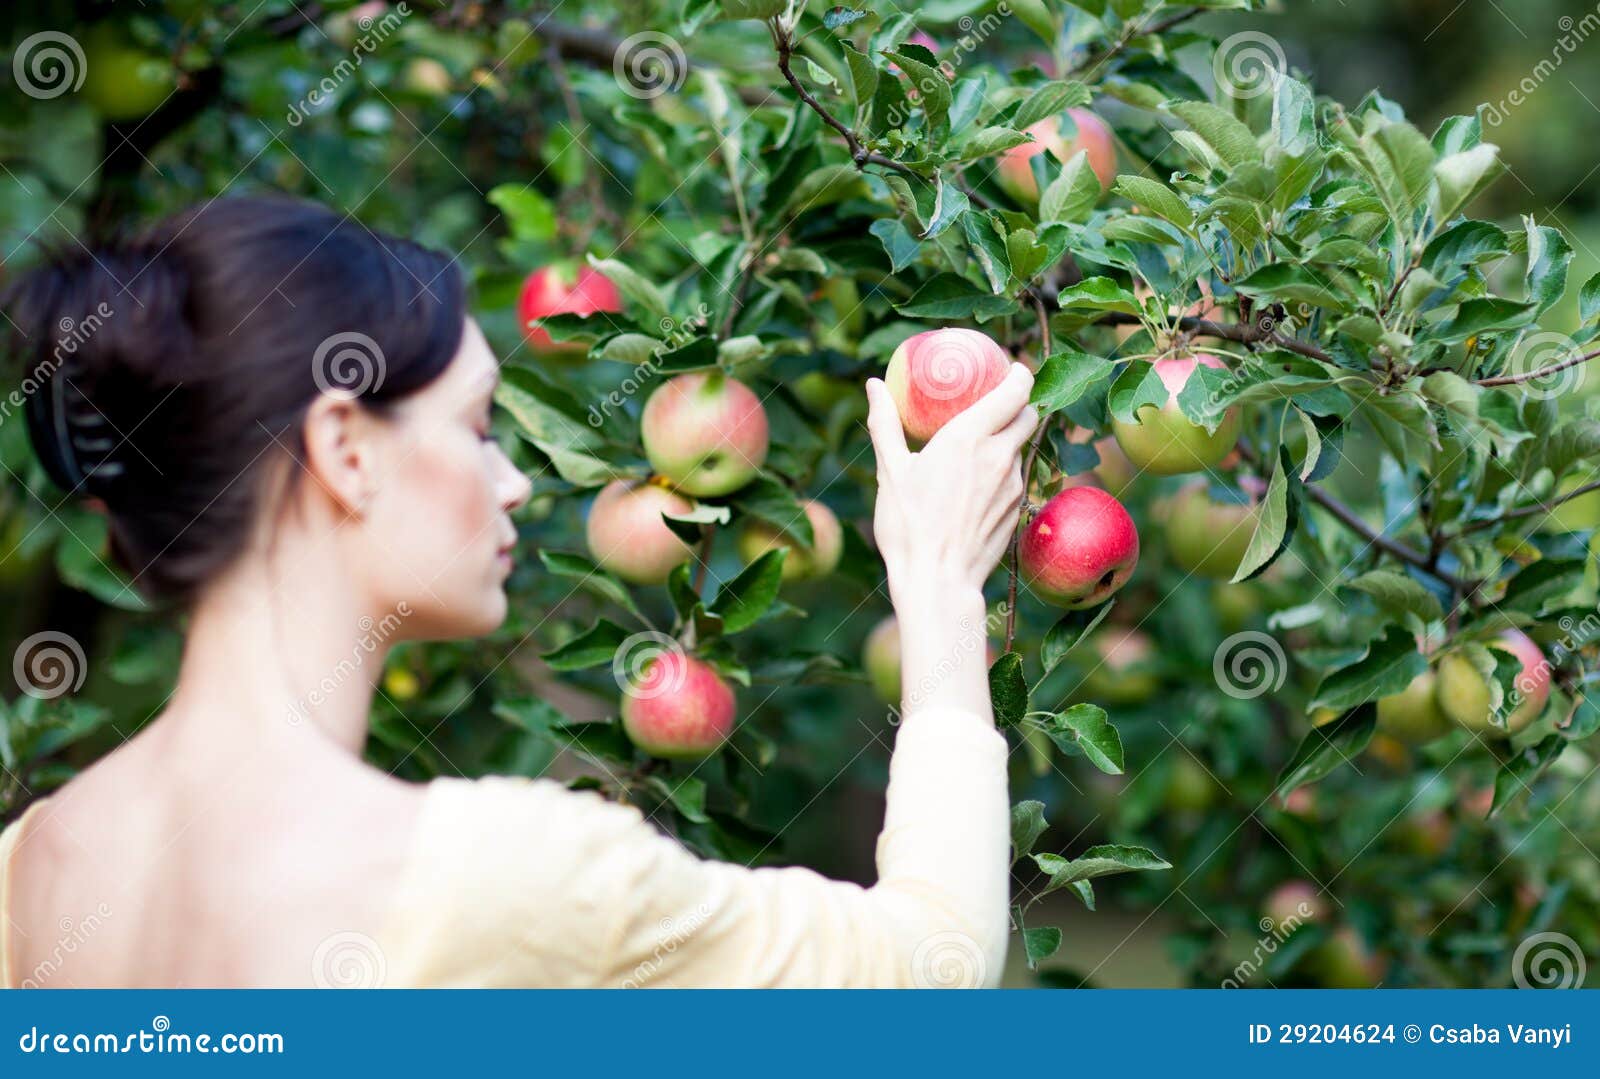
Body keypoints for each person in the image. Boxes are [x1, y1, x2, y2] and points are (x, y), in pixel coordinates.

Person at [0, 196, 1037, 988]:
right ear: (345, 451)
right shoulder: (504, 876)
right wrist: (941, 588)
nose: (517, 481)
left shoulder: (30, 870)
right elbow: (928, 967)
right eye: (478, 427)